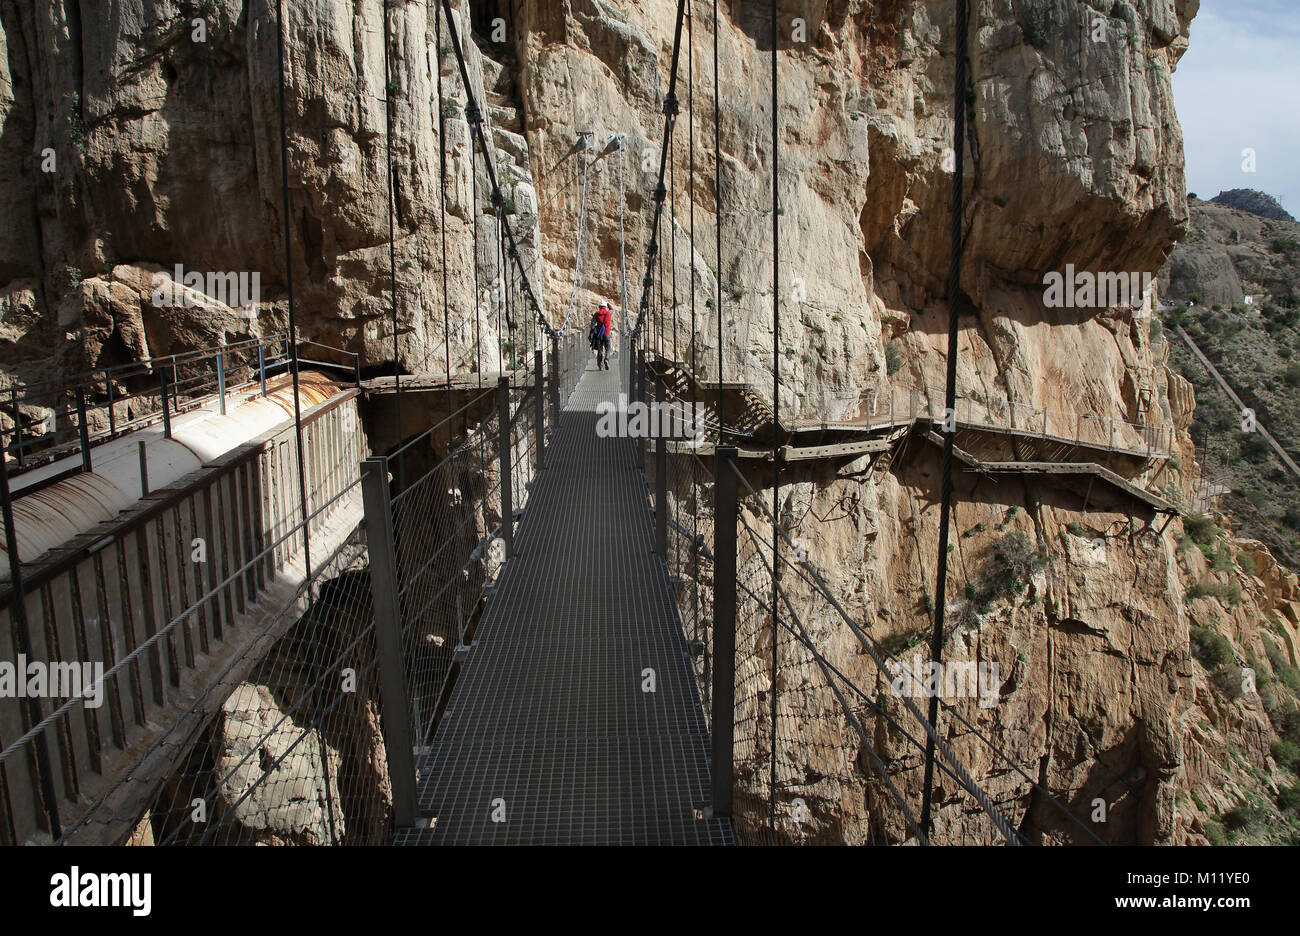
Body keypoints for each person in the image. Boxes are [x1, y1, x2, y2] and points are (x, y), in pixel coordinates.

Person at [589, 301, 612, 370]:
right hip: (607, 333)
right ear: (605, 307)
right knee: (608, 348)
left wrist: (592, 333)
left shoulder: (596, 314)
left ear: (599, 307)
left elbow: (592, 324)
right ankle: (606, 359)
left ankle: (600, 366)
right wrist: (608, 304)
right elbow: (612, 309)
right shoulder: (608, 313)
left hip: (599, 334)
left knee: (600, 350)